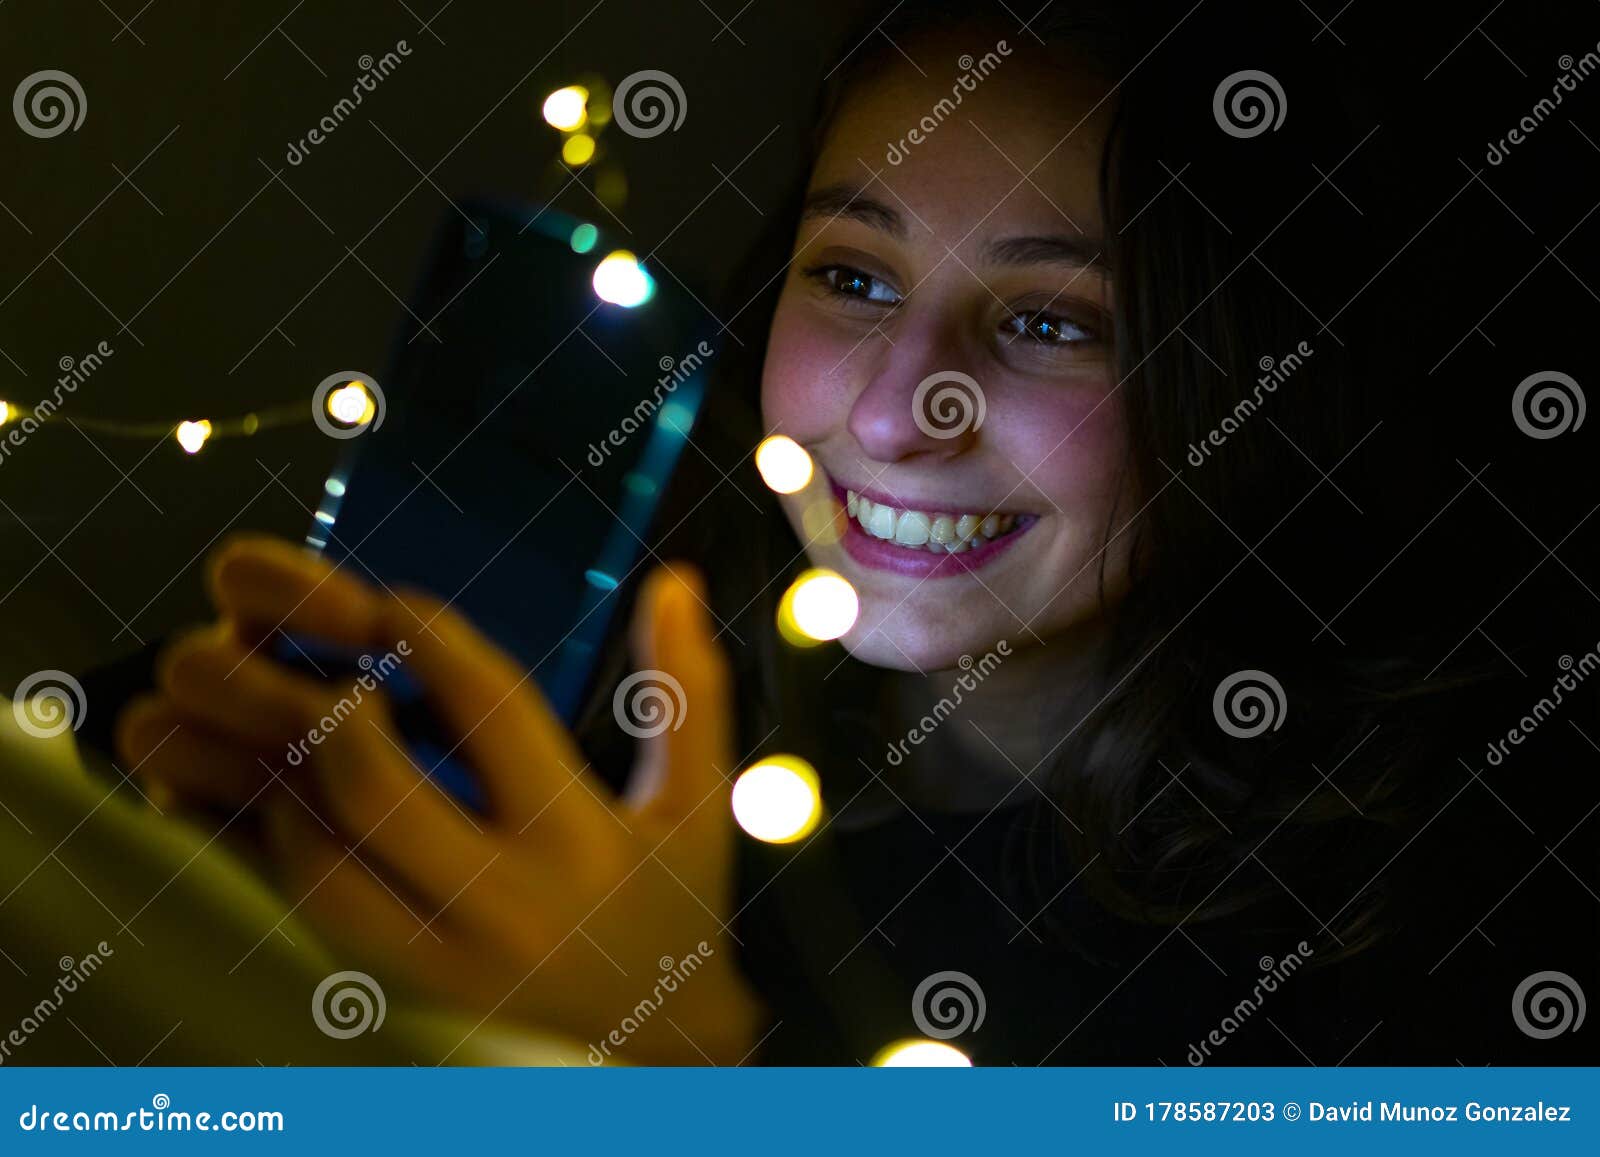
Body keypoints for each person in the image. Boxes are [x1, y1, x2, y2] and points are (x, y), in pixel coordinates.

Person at [110, 0, 1598, 1065]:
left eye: (1049, 320)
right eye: (857, 279)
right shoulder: (606, 678)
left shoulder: (1442, 958)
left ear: (1253, 375)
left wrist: (676, 1068)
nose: (893, 414)